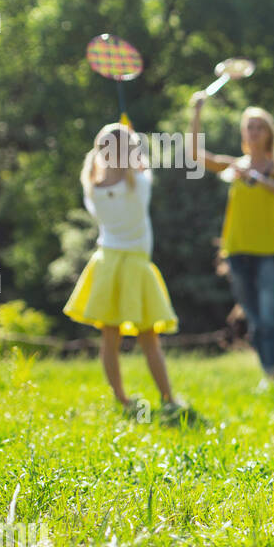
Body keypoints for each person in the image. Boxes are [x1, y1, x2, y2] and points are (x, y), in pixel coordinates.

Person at [63, 123, 184, 417]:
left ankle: (121, 398)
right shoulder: (139, 184)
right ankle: (168, 398)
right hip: (135, 266)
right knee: (149, 339)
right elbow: (143, 164)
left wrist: (121, 139)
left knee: (110, 338)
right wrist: (129, 139)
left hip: (105, 264)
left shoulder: (92, 189)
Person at [189, 93, 274, 385]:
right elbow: (195, 155)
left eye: (259, 127)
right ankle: (269, 373)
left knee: (270, 315)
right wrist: (196, 113)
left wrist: (254, 177)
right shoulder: (234, 166)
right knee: (255, 319)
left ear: (269, 133)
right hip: (236, 249)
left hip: (268, 249)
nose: (254, 132)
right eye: (249, 127)